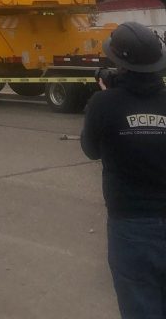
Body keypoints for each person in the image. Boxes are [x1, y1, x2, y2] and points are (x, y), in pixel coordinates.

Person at [81, 21, 166, 318]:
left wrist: (108, 96)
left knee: (140, 306)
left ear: (120, 63)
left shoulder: (104, 104)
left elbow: (90, 150)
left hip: (130, 226)